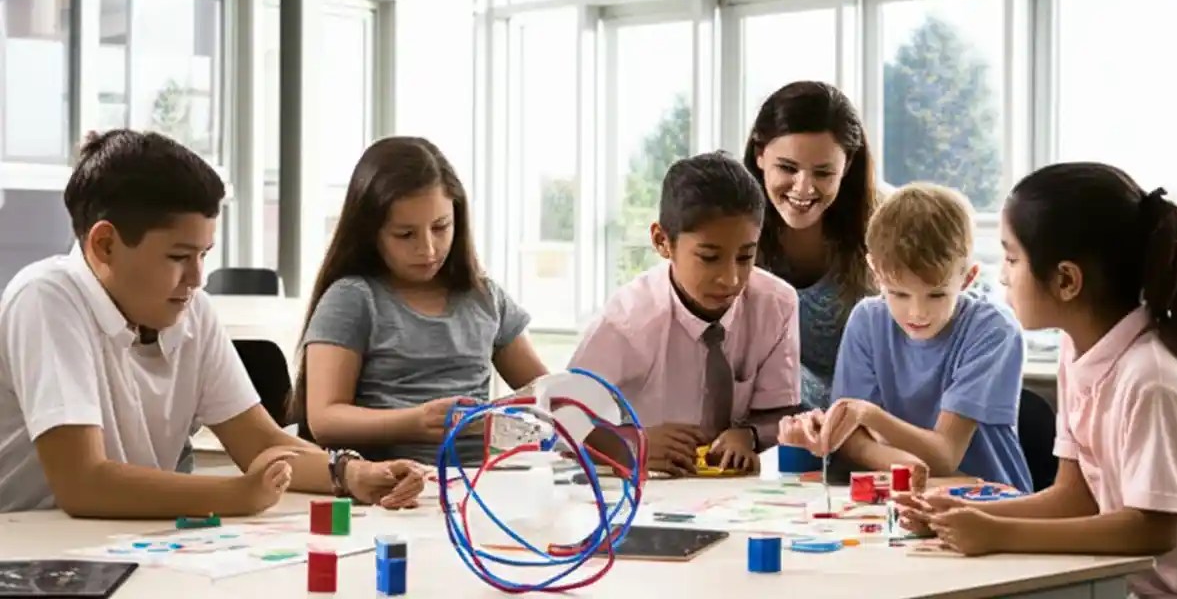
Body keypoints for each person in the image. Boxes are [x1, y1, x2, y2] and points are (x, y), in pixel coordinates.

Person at [897, 163, 1177, 598]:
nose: (1001, 275)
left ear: (1065, 280)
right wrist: (965, 513)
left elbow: (1151, 530)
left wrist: (997, 532)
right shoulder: (1077, 350)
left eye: (1011, 258)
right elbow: (1074, 496)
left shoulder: (1151, 378)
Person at [0, 130, 425, 516]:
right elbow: (83, 484)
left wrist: (354, 474)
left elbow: (259, 443)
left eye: (204, 254)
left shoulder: (190, 308)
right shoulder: (46, 296)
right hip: (32, 553)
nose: (197, 278)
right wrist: (232, 495)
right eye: (178, 257)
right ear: (105, 244)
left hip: (122, 545)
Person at [294, 136, 548, 468]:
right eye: (405, 235)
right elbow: (325, 420)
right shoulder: (354, 298)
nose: (428, 250)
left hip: (480, 488)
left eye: (441, 227)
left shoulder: (484, 297)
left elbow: (547, 395)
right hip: (391, 487)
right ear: (370, 233)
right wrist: (415, 421)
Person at [778, 183, 1033, 492]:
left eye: (936, 295)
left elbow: (944, 457)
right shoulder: (867, 320)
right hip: (904, 497)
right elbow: (850, 440)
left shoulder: (993, 330)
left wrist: (870, 417)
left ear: (967, 278)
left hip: (990, 505)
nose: (917, 313)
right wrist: (902, 465)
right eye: (898, 293)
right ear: (875, 273)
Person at [569, 152, 800, 476]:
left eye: (746, 256)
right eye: (709, 257)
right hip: (653, 487)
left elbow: (783, 413)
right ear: (662, 241)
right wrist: (632, 445)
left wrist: (747, 435)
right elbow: (562, 416)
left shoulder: (777, 305)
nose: (731, 279)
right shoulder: (629, 320)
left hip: (735, 490)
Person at [744, 81, 879, 411]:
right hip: (761, 434)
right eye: (787, 168)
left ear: (846, 167)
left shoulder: (881, 228)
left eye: (823, 173)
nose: (803, 188)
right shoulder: (730, 229)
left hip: (869, 423)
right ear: (761, 155)